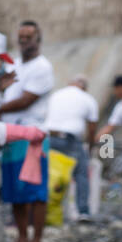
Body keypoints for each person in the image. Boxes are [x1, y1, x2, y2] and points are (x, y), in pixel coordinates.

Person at [0, 21, 54, 242]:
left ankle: (36, 241)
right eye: (21, 37)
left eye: (29, 37)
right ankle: (21, 237)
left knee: (36, 191)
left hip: (33, 136)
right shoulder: (15, 65)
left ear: (38, 39)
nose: (24, 41)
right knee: (15, 191)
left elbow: (27, 99)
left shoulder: (42, 66)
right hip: (11, 135)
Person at [41, 74, 99, 220]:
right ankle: (83, 211)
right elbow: (92, 129)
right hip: (70, 140)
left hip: (48, 138)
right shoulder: (88, 99)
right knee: (81, 174)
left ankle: (42, 209)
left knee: (48, 173)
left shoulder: (56, 95)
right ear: (84, 87)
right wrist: (90, 148)